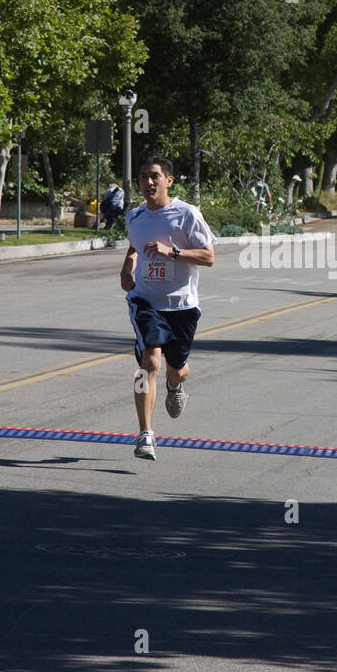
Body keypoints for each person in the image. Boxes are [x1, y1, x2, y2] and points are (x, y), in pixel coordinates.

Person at [120, 157, 216, 460]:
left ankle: (175, 385)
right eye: (143, 177)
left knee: (178, 368)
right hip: (145, 302)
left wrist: (172, 252)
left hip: (183, 305)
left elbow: (209, 256)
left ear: (168, 181)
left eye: (155, 177)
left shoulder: (187, 214)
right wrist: (127, 266)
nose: (148, 182)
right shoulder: (135, 217)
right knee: (149, 363)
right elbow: (135, 246)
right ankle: (145, 434)